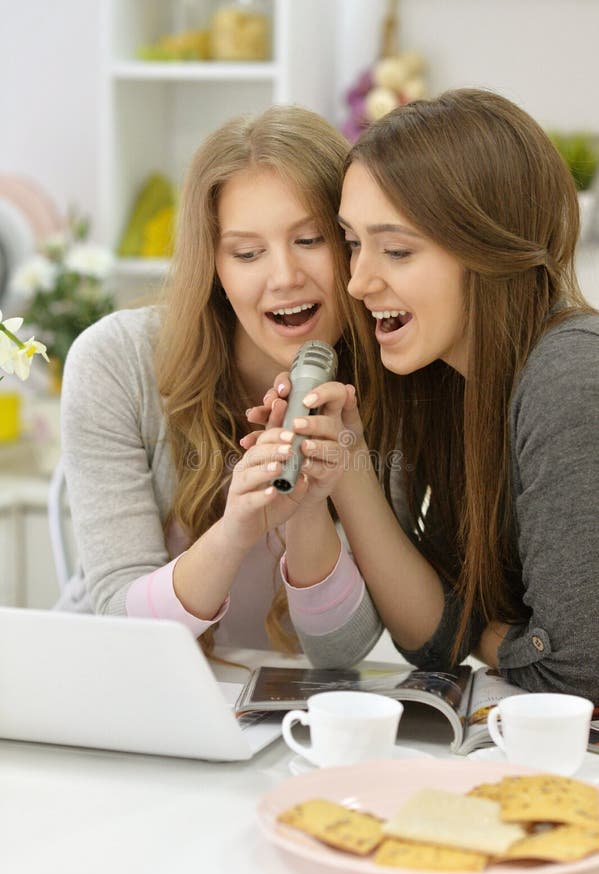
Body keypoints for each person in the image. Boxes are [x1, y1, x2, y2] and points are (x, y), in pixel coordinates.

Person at [252, 89, 599, 700]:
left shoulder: (569, 376)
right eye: (353, 244)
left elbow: (575, 675)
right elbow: (436, 640)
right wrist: (346, 458)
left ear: (489, 247)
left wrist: (487, 633)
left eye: (397, 251)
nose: (359, 282)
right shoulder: (449, 382)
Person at [56, 105, 387, 667]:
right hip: (119, 679)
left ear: (352, 243)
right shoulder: (116, 361)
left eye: (311, 239)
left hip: (275, 701)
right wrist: (235, 531)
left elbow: (343, 652)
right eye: (247, 253)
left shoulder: (387, 375)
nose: (284, 277)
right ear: (214, 267)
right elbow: (118, 624)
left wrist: (308, 508)